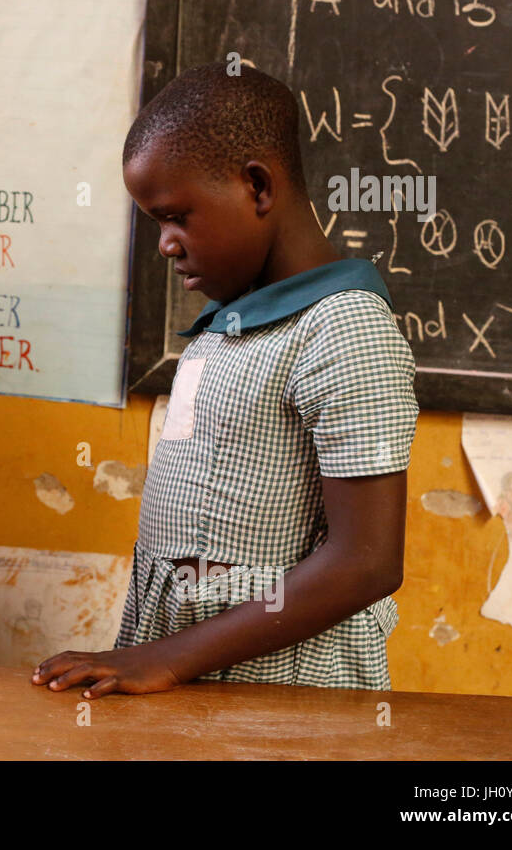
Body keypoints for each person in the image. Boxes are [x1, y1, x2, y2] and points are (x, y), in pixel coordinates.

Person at [34, 63, 418, 697]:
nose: (165, 244)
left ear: (258, 187)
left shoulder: (343, 327)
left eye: (175, 216)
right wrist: (158, 654)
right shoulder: (223, 330)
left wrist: (171, 659)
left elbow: (367, 562)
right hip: (190, 670)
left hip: (281, 692)